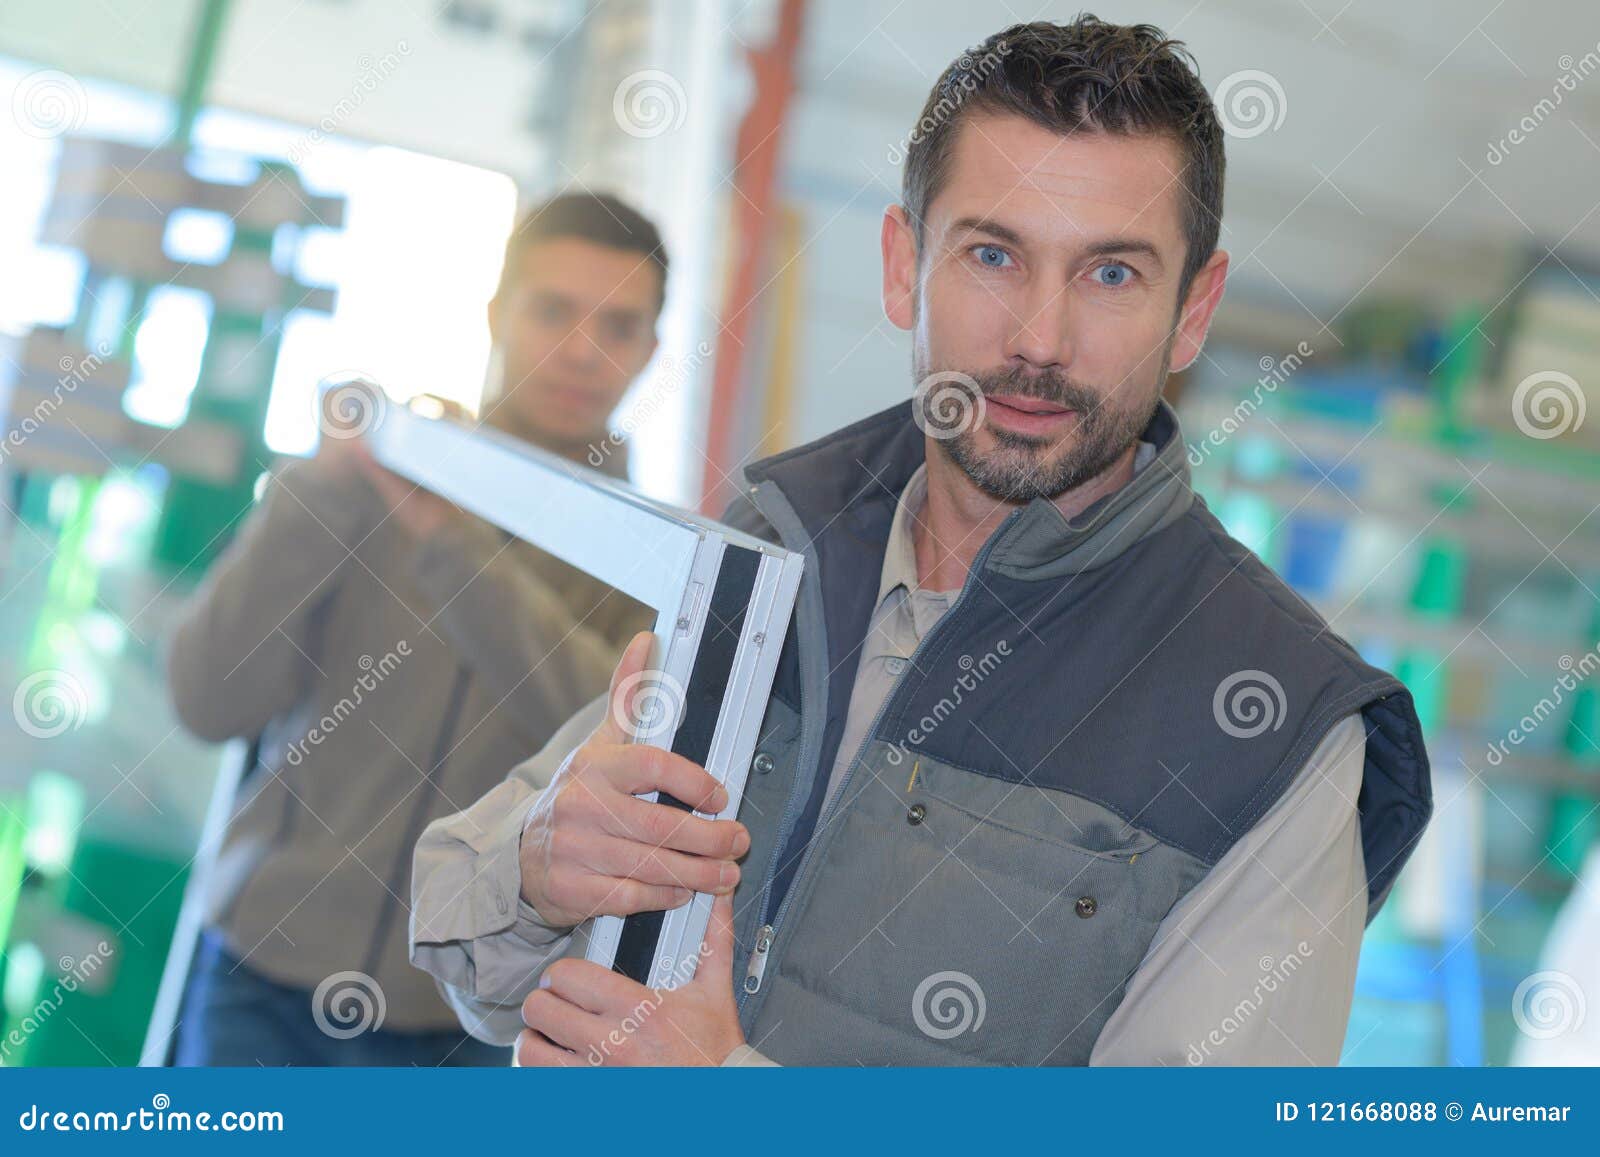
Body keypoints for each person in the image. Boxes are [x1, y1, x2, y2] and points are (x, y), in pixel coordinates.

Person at [411, 18, 1434, 1066]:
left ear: (1192, 311)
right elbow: (465, 938)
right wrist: (541, 864)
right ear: (904, 267)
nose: (1040, 338)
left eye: (1111, 275)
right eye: (993, 254)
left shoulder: (1278, 729)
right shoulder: (775, 557)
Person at [166, 192, 666, 1066]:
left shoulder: (655, 561)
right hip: (263, 982)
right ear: (494, 312)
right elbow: (208, 699)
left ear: (652, 351)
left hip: (471, 1030)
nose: (582, 352)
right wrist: (317, 494)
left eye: (619, 326)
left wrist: (450, 546)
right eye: (552, 310)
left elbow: (598, 728)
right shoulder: (361, 485)